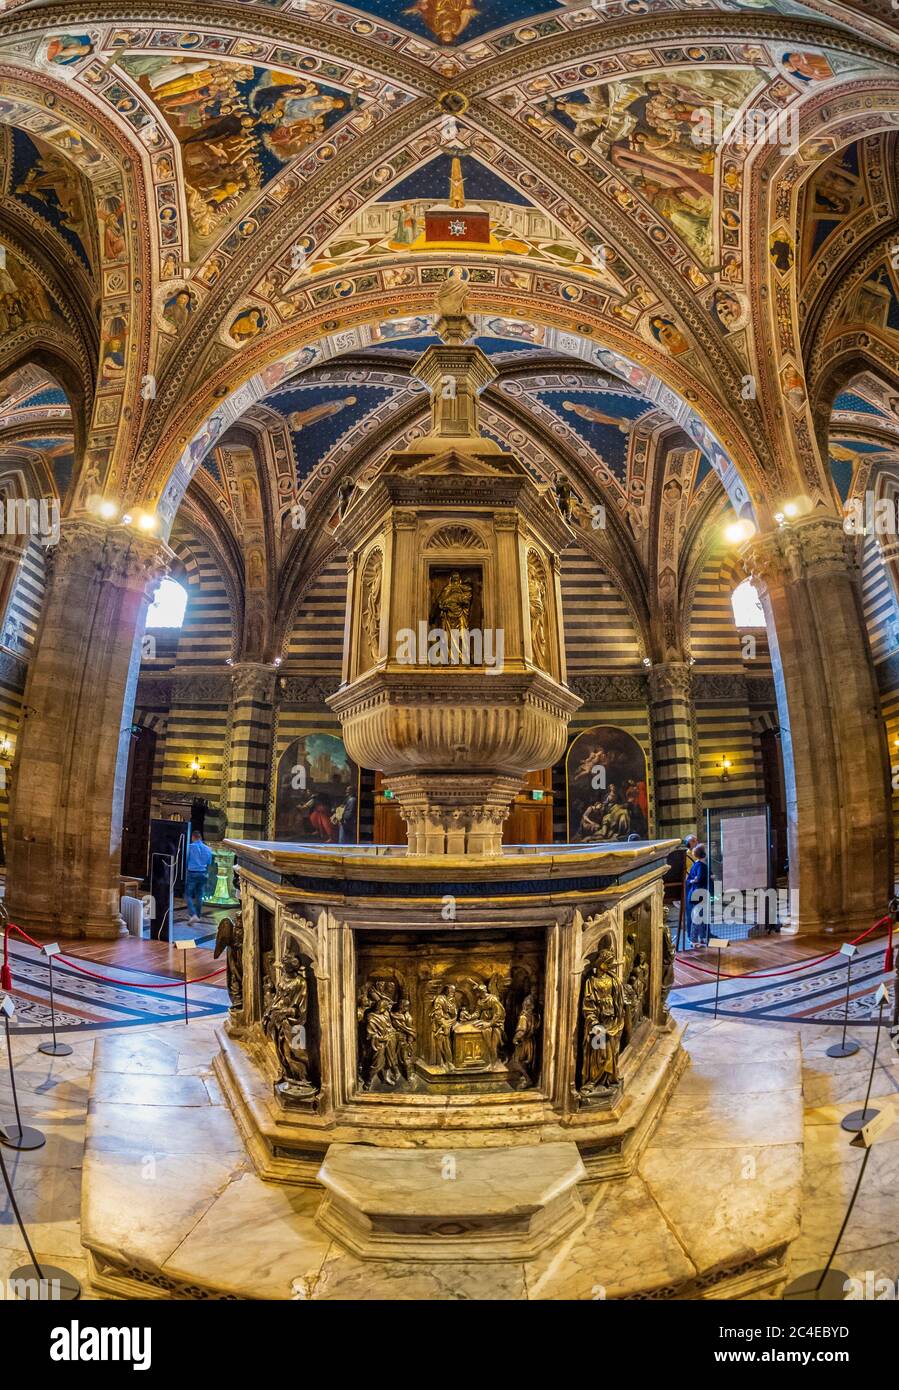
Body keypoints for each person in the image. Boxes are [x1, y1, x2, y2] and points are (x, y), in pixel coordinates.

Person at [184, 830, 214, 924]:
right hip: (203, 873)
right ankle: (198, 915)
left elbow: (186, 860)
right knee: (199, 895)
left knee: (187, 895)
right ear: (200, 837)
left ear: (193, 837)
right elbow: (209, 863)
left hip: (192, 873)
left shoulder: (189, 847)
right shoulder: (208, 849)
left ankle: (193, 915)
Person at [685, 843, 709, 947]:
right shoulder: (701, 866)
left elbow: (690, 879)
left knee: (700, 917)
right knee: (698, 918)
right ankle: (694, 940)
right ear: (704, 854)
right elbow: (698, 878)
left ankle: (702, 937)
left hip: (695, 893)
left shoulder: (696, 864)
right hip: (699, 894)